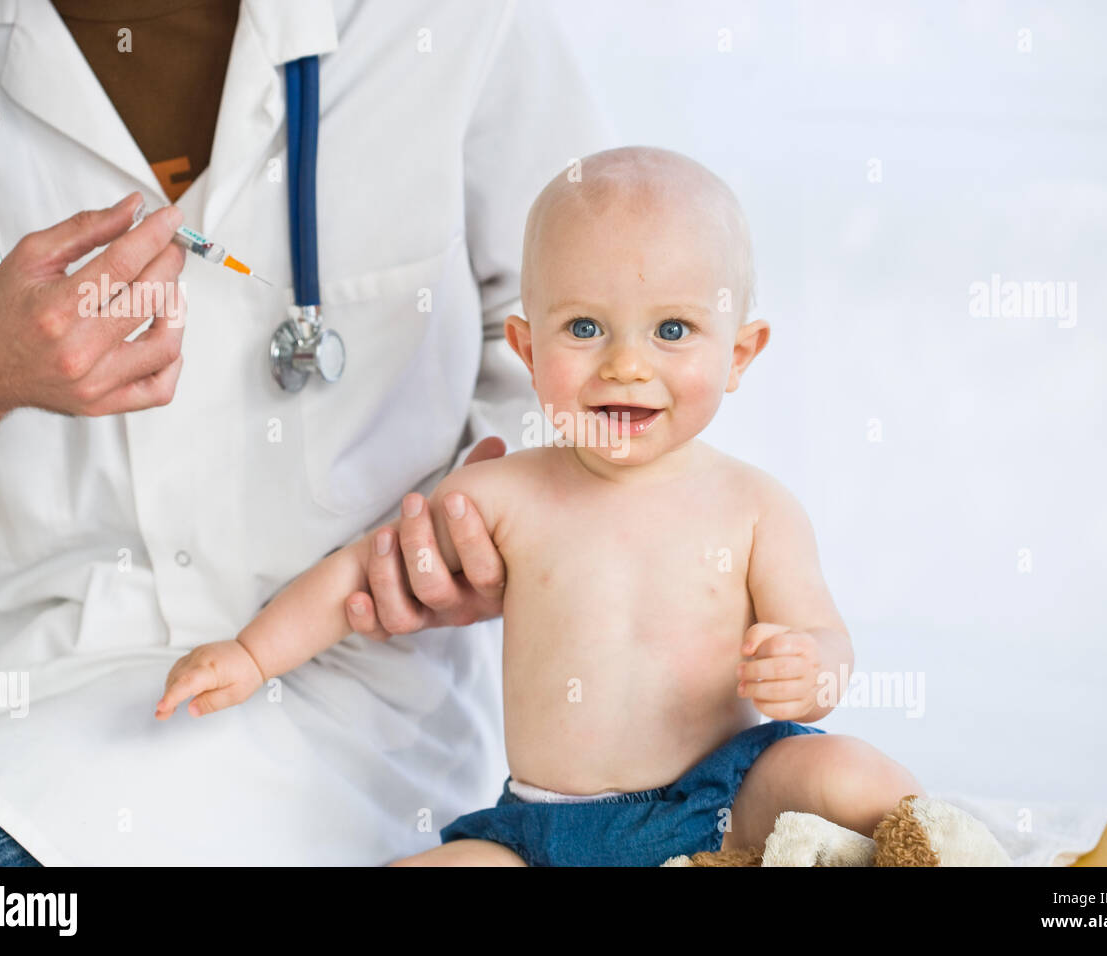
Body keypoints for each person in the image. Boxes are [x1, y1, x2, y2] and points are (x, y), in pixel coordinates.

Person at [0, 0, 614, 865]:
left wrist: (501, 538)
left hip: (362, 704)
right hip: (24, 705)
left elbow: (597, 347)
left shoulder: (458, 22)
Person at [154, 146, 930, 866]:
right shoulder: (503, 495)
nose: (626, 365)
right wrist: (253, 656)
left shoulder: (756, 508)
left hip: (720, 804)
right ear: (527, 350)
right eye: (585, 328)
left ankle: (943, 847)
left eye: (672, 330)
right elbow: (360, 569)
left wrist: (811, 671)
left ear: (739, 354)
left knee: (841, 771)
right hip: (541, 829)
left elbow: (823, 636)